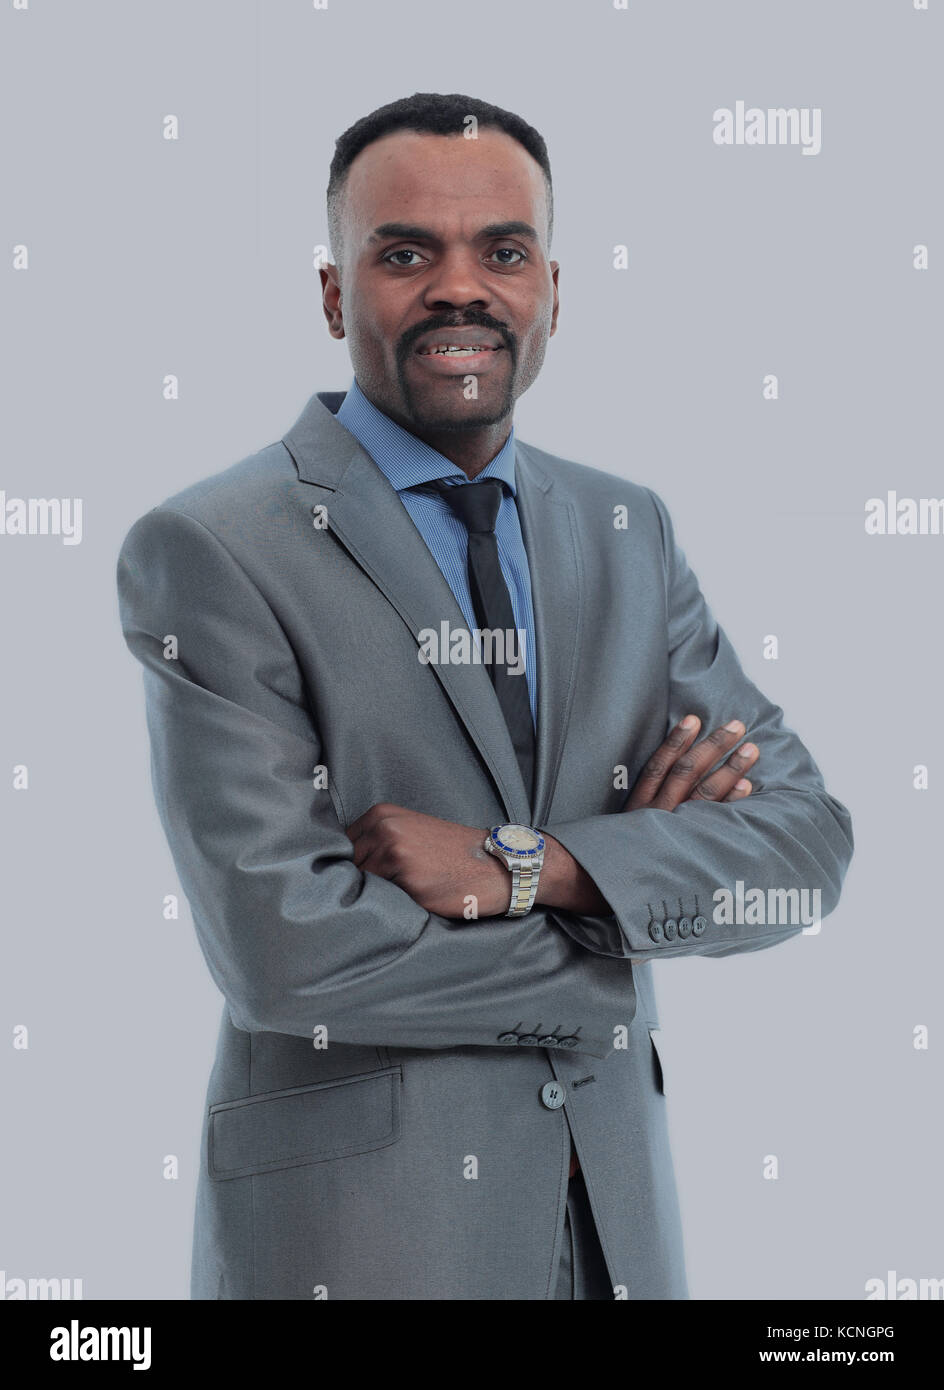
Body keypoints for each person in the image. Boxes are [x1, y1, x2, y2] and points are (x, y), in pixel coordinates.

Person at [116, 92, 854, 1300]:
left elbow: (803, 844)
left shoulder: (626, 530)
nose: (460, 289)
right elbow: (288, 957)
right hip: (363, 1247)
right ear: (332, 296)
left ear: (551, 290)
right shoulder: (215, 546)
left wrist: (535, 866)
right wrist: (622, 942)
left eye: (500, 251)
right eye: (404, 253)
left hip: (617, 1229)